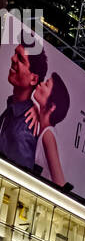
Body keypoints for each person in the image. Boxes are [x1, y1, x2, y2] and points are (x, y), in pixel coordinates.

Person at [0, 42, 47, 172]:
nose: (13, 59)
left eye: (20, 59)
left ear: (34, 79)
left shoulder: (24, 128)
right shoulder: (12, 109)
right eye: (15, 53)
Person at [26, 71, 71, 187]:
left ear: (52, 106)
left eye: (46, 84)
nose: (40, 83)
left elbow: (60, 184)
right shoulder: (44, 130)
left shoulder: (48, 135)